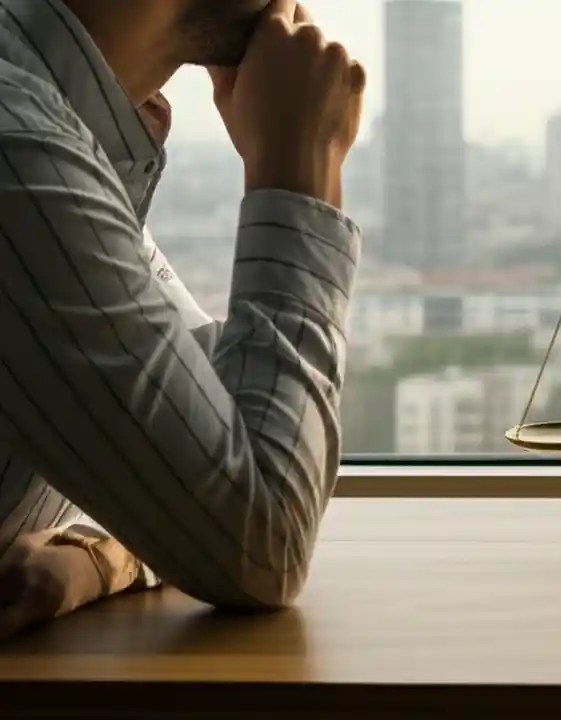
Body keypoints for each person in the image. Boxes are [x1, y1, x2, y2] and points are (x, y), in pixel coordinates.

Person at [0, 0, 365, 638]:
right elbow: (262, 538)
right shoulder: (17, 145)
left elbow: (202, 453)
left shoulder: (57, 123)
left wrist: (99, 554)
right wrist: (297, 170)